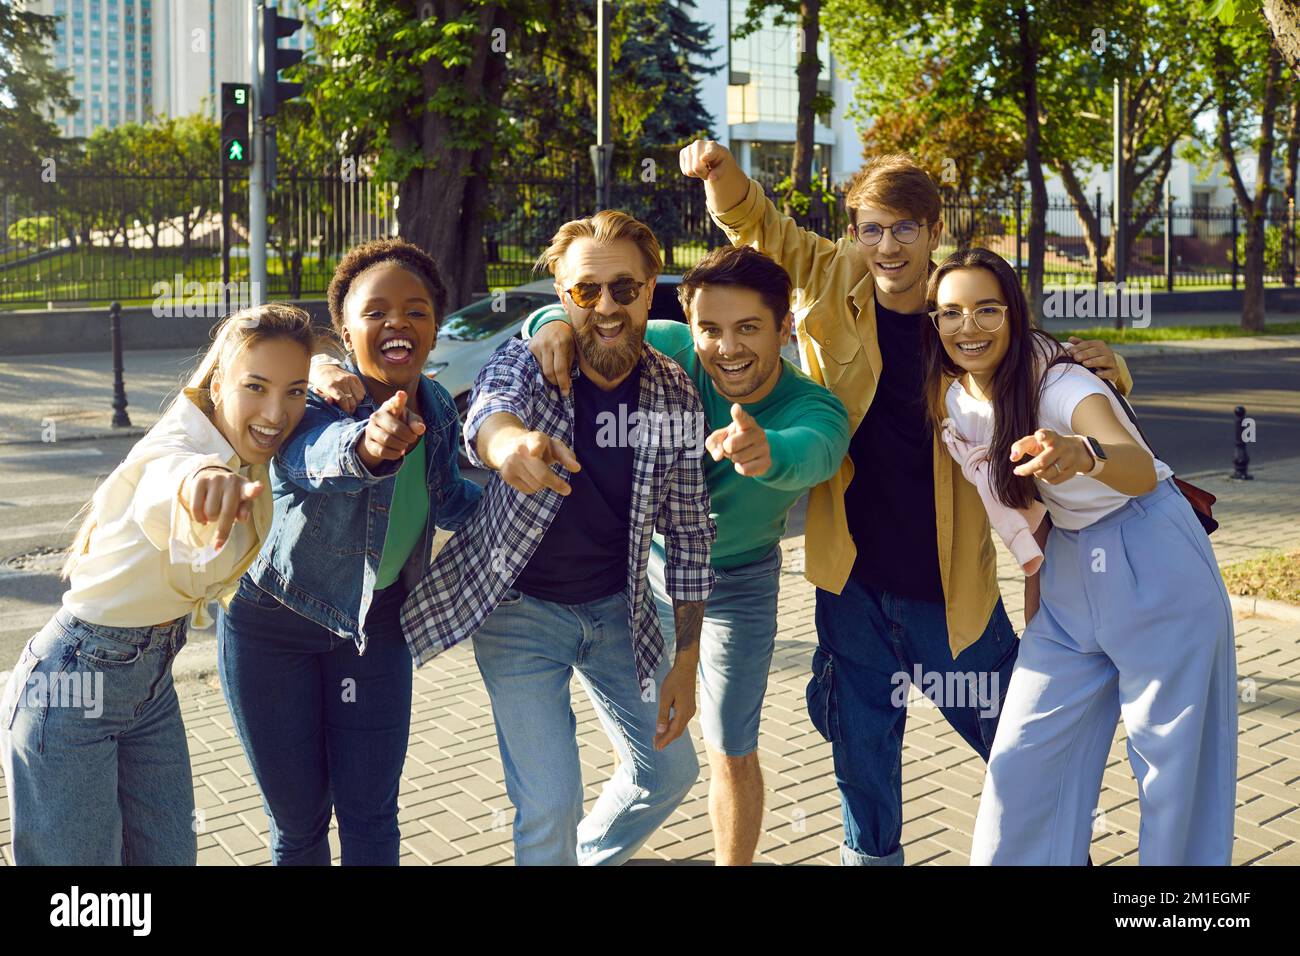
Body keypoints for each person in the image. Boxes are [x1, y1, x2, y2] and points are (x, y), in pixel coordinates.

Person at [679, 140, 1135, 865]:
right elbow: (754, 222)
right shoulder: (831, 276)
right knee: (863, 772)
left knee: (1023, 756)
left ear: (932, 232)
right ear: (853, 229)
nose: (885, 246)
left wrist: (1113, 371)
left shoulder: (959, 311)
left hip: (950, 593)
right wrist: (716, 169)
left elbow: (1044, 368)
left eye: (903, 229)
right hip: (852, 582)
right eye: (870, 227)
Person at [394, 210, 715, 865]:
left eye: (623, 289)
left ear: (651, 287)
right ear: (563, 295)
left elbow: (685, 531)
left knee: (670, 771)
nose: (604, 307)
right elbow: (488, 413)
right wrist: (511, 445)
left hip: (619, 614)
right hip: (519, 614)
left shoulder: (675, 393)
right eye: (584, 292)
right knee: (548, 804)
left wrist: (686, 658)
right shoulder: (530, 359)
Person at [522, 244, 849, 864]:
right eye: (712, 329)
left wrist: (766, 452)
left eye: (749, 328)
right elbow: (562, 315)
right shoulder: (670, 348)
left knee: (731, 748)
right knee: (650, 752)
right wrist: (555, 324)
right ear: (691, 324)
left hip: (740, 583)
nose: (727, 348)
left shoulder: (813, 405)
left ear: (786, 328)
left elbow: (817, 450)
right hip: (640, 571)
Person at [923, 248, 1237, 865]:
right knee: (1023, 758)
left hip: (1155, 556)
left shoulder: (1063, 382)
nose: (969, 327)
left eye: (987, 309)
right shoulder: (959, 400)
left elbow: (1140, 467)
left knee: (1172, 770)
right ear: (934, 323)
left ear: (1014, 314)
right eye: (951, 312)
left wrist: (1082, 453)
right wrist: (1038, 604)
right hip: (1070, 574)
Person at [0, 303, 317, 865]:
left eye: (294, 390)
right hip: (73, 686)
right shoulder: (182, 452)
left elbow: (319, 393)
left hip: (147, 688)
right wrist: (205, 485)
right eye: (256, 386)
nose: (277, 411)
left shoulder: (246, 440)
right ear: (218, 383)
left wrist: (329, 372)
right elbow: (170, 483)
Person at [217, 239, 481, 866]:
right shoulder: (312, 400)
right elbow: (316, 458)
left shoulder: (438, 406)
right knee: (300, 828)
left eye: (416, 310)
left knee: (370, 819)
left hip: (374, 630)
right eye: (377, 310)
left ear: (435, 327)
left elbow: (448, 500)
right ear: (343, 330)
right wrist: (369, 448)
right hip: (272, 630)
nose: (399, 322)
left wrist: (539, 502)